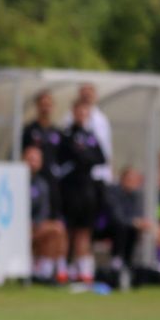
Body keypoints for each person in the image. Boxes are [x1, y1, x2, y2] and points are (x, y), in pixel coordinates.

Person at [58, 99, 108, 284]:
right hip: (70, 188)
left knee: (84, 231)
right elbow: (67, 155)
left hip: (87, 188)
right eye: (78, 111)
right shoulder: (66, 134)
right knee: (67, 229)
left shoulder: (90, 135)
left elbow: (100, 158)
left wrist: (84, 156)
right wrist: (83, 156)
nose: (81, 114)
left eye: (85, 111)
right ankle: (63, 268)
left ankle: (83, 270)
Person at [98, 166, 151, 276]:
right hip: (104, 228)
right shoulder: (112, 191)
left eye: (135, 180)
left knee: (133, 229)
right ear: (122, 178)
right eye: (130, 179)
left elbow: (137, 215)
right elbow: (116, 216)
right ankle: (116, 261)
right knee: (122, 227)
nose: (133, 183)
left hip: (126, 229)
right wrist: (133, 222)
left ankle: (127, 263)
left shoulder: (135, 195)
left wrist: (140, 223)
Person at [20, 90, 65, 222]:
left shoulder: (57, 132)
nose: (45, 108)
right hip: (33, 180)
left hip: (53, 182)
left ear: (53, 107)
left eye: (48, 104)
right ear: (37, 106)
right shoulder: (29, 130)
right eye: (42, 104)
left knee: (53, 218)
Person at [25, 145, 67, 283]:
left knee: (57, 229)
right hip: (16, 227)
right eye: (30, 159)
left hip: (34, 225)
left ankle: (46, 272)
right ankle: (36, 271)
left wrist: (36, 224)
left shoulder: (41, 184)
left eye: (36, 160)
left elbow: (44, 211)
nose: (33, 163)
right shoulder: (14, 181)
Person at [72, 83, 114, 183]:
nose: (86, 98)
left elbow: (107, 147)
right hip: (78, 174)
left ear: (94, 96)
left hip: (100, 172)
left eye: (89, 95)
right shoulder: (69, 119)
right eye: (84, 95)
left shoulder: (102, 120)